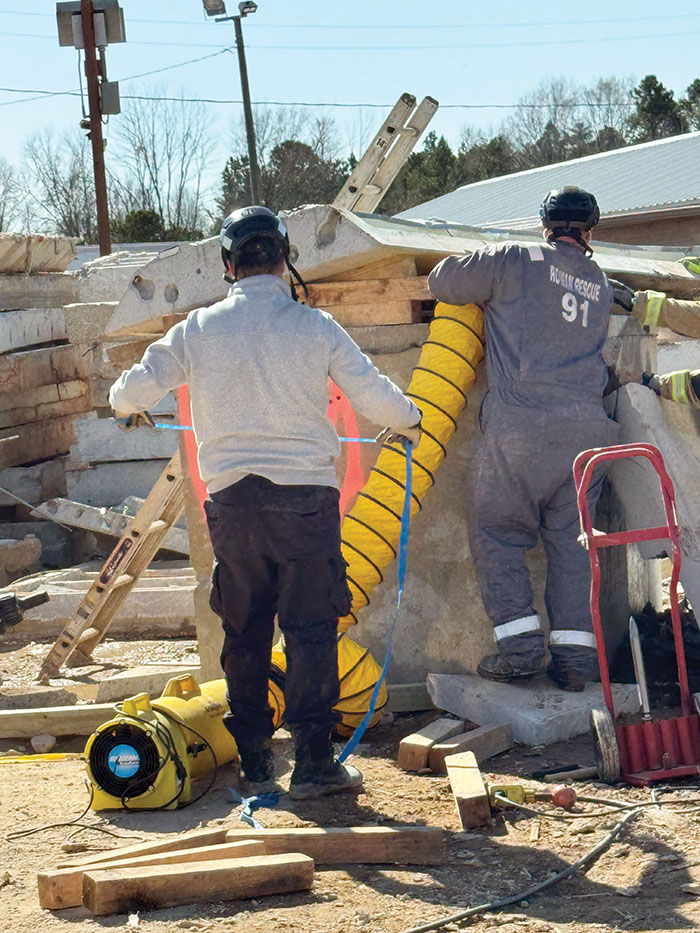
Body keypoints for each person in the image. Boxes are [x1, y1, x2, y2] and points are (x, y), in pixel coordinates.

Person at [109, 206, 421, 799]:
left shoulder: (196, 331)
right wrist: (410, 419)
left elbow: (127, 394)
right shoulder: (316, 327)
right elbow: (380, 399)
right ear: (285, 260)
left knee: (245, 629)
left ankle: (254, 759)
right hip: (304, 504)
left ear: (229, 265)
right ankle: (313, 764)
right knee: (310, 630)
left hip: (232, 506)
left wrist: (128, 405)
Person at [428, 187, 618, 692]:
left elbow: (442, 281)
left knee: (497, 533)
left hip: (523, 427)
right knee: (574, 546)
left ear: (545, 223)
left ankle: (520, 649)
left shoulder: (516, 257)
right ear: (590, 230)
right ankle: (577, 662)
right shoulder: (599, 281)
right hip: (587, 432)